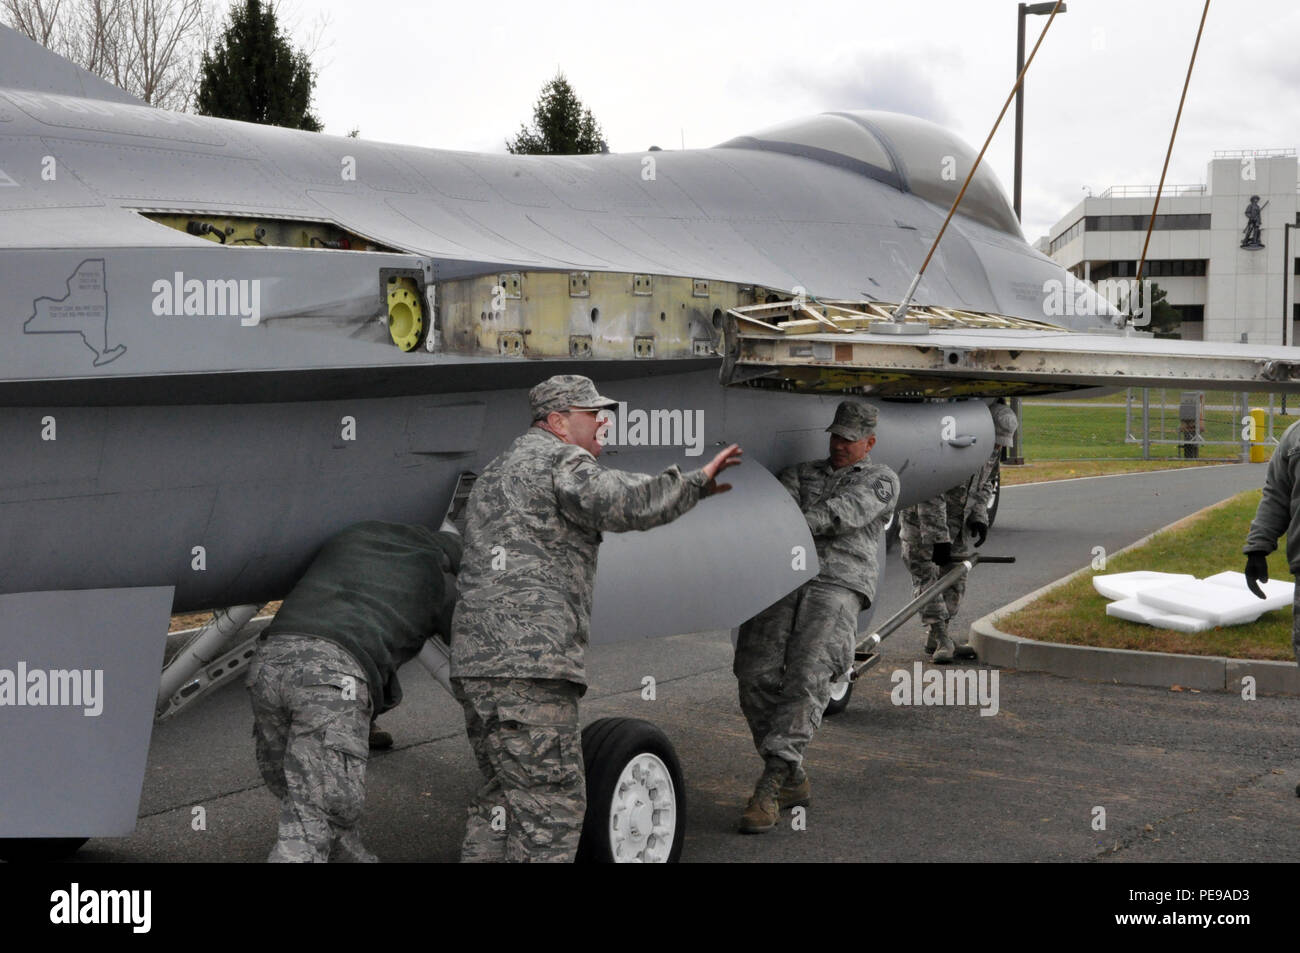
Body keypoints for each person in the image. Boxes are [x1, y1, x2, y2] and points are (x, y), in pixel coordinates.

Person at [450, 374, 742, 862]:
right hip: (533, 667)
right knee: (550, 807)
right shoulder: (562, 460)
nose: (602, 421)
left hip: (477, 665)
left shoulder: (496, 472)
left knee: (503, 797)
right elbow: (624, 502)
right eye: (592, 414)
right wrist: (694, 484)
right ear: (559, 422)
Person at [245, 520, 462, 862]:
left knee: (307, 795)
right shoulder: (439, 582)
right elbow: (471, 649)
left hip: (269, 665)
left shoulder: (355, 537)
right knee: (318, 814)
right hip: (332, 679)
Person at [733, 400, 898, 834]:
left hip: (838, 584)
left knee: (809, 677)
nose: (840, 445)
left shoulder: (881, 480)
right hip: (785, 579)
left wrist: (792, 522)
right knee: (754, 674)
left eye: (850, 438)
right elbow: (774, 507)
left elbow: (845, 514)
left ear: (870, 442)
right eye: (836, 436)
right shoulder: (800, 472)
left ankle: (770, 783)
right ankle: (793, 776)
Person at [898, 400, 1013, 664]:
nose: (997, 447)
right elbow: (932, 490)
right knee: (928, 583)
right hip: (922, 528)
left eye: (1002, 443)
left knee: (956, 581)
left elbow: (987, 484)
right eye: (995, 440)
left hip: (957, 527)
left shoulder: (992, 453)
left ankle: (939, 634)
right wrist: (938, 538)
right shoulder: (952, 447)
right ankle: (941, 638)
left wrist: (979, 516)